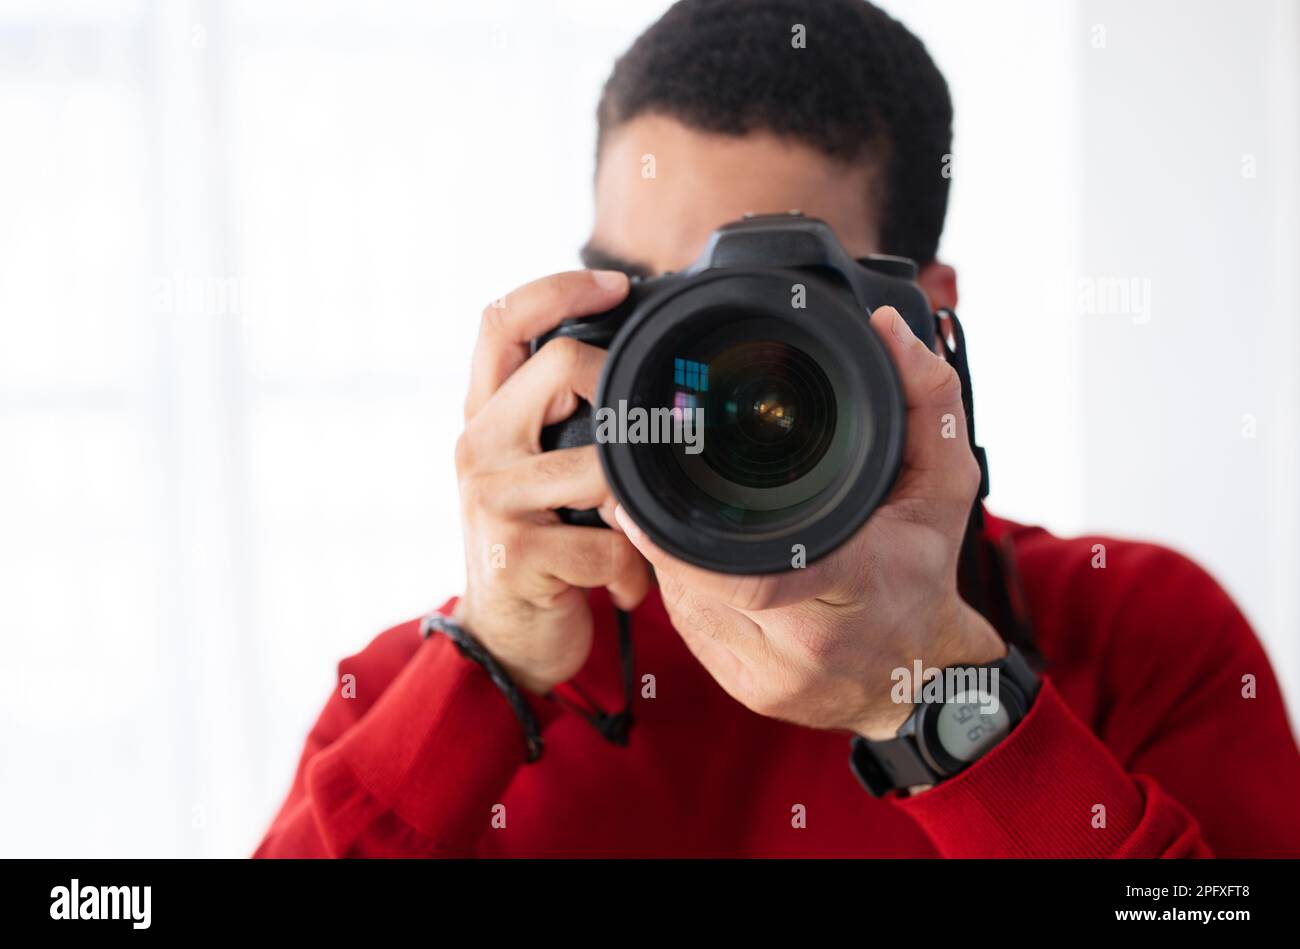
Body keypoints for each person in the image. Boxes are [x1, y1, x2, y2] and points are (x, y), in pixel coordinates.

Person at [255, 0, 1300, 858]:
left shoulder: (1134, 632)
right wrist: (486, 677)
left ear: (927, 318)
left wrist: (942, 692)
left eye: (771, 309)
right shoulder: (455, 668)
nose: (692, 372)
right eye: (649, 303)